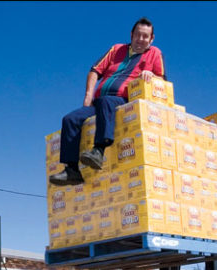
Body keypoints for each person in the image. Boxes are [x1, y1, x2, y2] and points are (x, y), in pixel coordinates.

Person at [49, 17, 166, 186]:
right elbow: (95, 70)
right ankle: (72, 170)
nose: (141, 39)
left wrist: (152, 76)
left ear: (151, 39)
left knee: (107, 101)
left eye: (145, 36)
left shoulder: (154, 53)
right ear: (131, 35)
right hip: (100, 102)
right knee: (70, 119)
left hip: (125, 101)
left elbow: (163, 81)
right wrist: (88, 96)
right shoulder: (117, 49)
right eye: (138, 35)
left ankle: (99, 150)